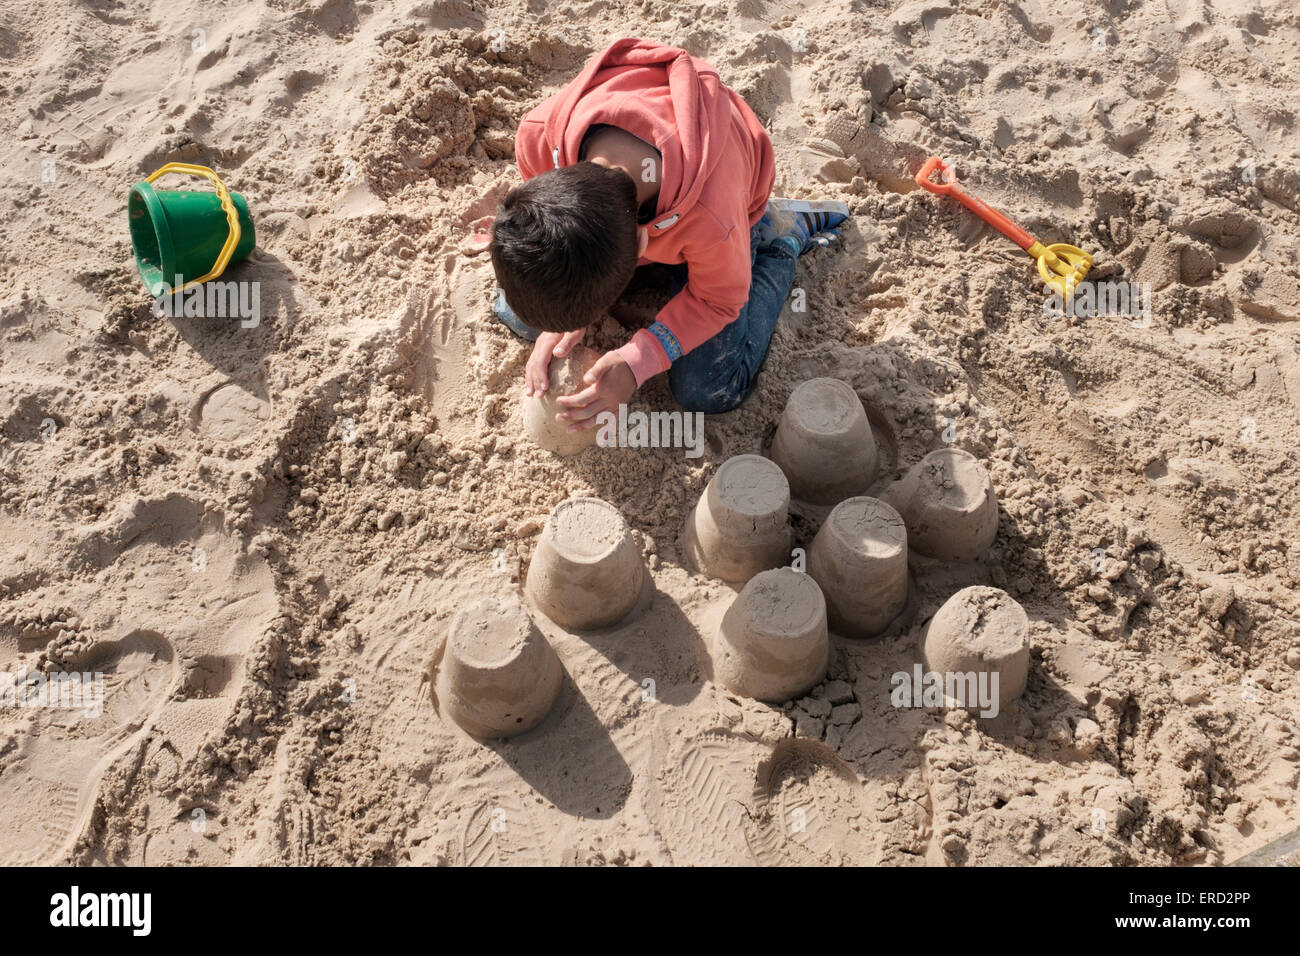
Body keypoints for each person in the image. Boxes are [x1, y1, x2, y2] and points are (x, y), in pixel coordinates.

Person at [489, 37, 847, 428]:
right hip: (632, 225)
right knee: (517, 311)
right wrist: (560, 325)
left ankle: (784, 238)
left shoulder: (714, 215)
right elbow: (561, 239)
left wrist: (638, 361)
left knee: (705, 389)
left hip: (723, 220)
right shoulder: (539, 136)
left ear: (643, 243)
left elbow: (719, 301)